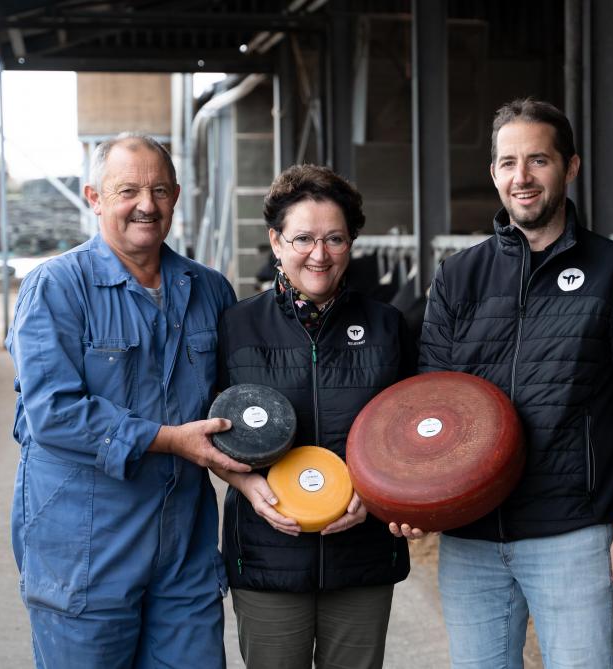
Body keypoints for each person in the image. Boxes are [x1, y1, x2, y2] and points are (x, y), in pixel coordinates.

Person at [394, 98, 613, 667]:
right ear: (494, 173)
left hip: (571, 533)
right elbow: (431, 400)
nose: (521, 178)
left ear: (570, 167)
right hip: (471, 538)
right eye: (507, 163)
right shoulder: (460, 275)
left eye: (538, 161)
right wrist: (416, 497)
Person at [7, 132, 249, 668]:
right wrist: (171, 440)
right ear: (94, 197)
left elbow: (235, 404)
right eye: (128, 190)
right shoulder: (57, 287)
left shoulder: (208, 289)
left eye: (160, 190)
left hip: (182, 540)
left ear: (177, 196)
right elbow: (54, 413)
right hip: (86, 544)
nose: (146, 204)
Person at [214, 164, 414, 669]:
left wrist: (376, 497)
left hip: (362, 556)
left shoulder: (389, 326)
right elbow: (209, 431)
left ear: (352, 243)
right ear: (276, 242)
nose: (319, 255)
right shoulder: (235, 327)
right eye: (303, 238)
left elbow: (409, 437)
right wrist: (244, 486)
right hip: (267, 556)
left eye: (335, 239)